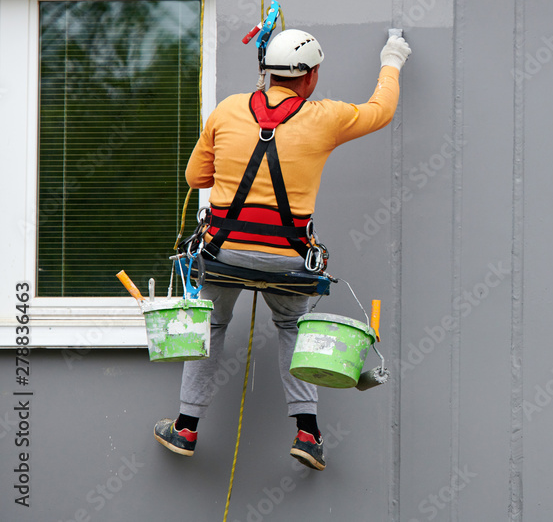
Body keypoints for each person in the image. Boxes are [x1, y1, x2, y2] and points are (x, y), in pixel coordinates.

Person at [153, 28, 411, 471]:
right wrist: (393, 55)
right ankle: (308, 435)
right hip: (287, 259)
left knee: (212, 326)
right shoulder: (325, 117)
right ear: (309, 76)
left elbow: (196, 178)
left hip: (223, 253)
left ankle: (186, 427)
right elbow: (381, 109)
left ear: (267, 72)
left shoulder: (228, 110)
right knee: (294, 325)